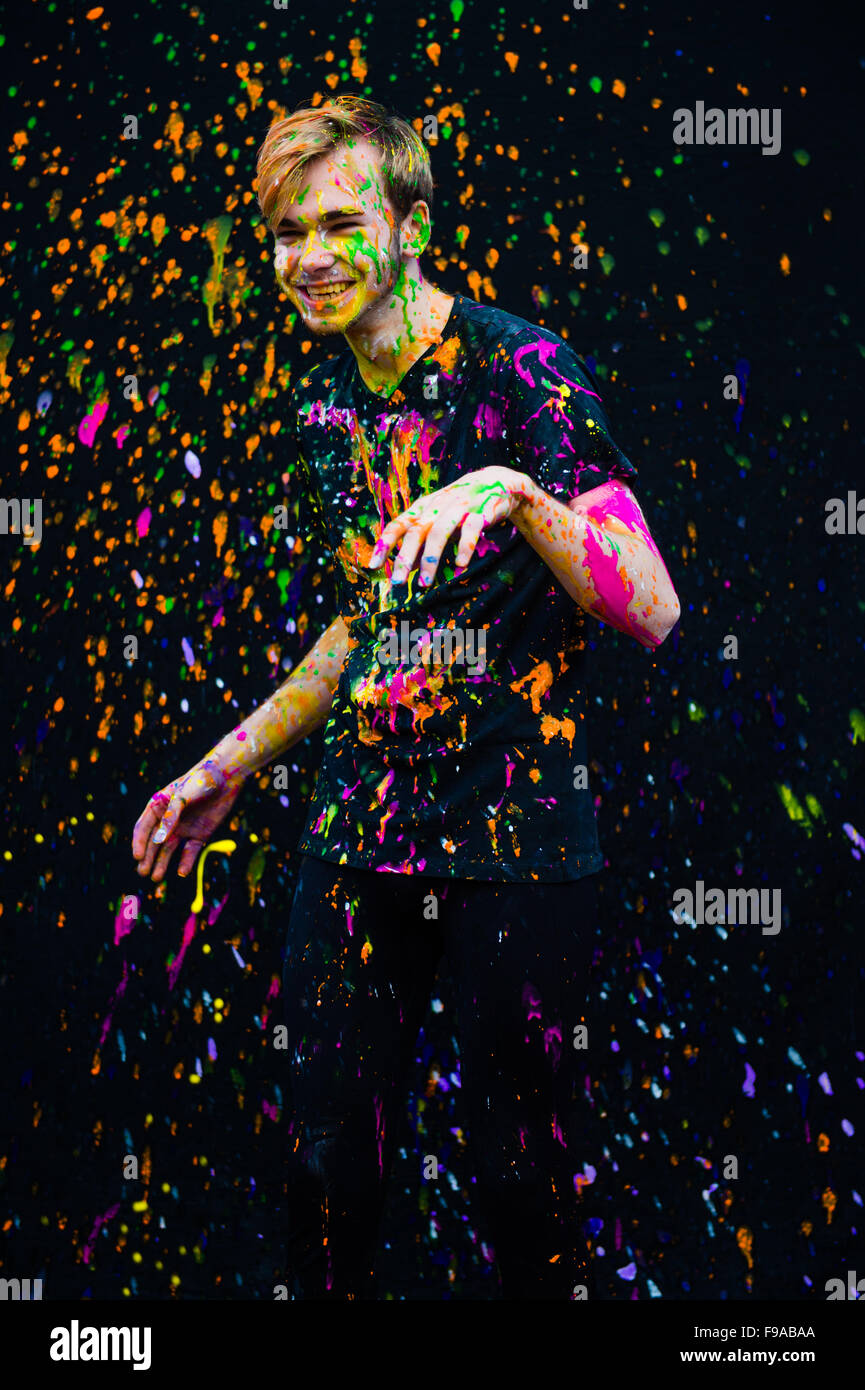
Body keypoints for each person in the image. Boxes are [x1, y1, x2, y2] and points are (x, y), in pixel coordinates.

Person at [132, 95, 681, 1299]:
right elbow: (362, 626)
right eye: (285, 232)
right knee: (327, 1168)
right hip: (362, 832)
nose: (310, 257)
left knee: (517, 1178)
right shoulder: (325, 401)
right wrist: (228, 763)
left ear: (412, 225)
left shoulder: (520, 367)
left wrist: (516, 495)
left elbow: (651, 606)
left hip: (515, 840)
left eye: (339, 222)